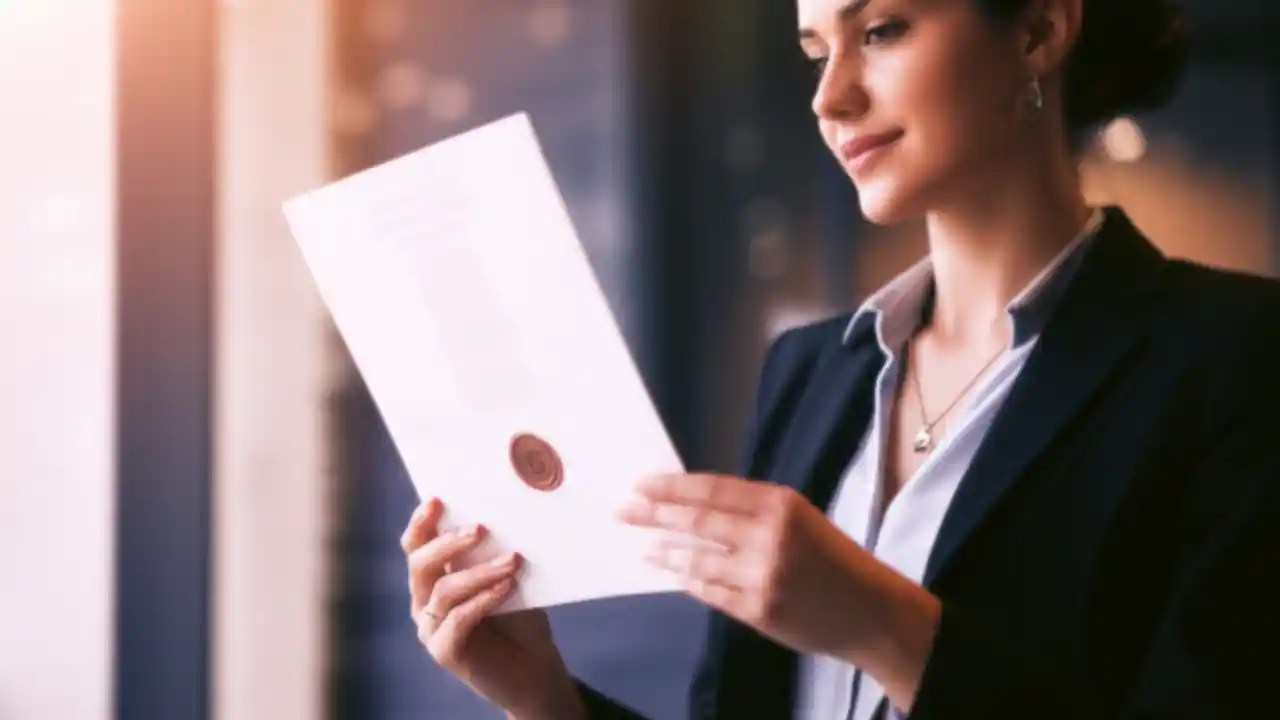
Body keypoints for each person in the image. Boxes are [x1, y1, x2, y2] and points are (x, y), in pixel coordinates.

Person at [399, 0, 1280, 717]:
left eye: (881, 32)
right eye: (817, 49)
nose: (830, 97)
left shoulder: (1235, 358)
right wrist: (544, 698)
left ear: (1040, 30)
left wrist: (885, 628)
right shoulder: (813, 371)